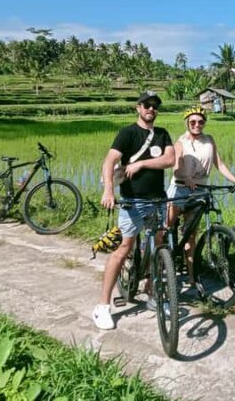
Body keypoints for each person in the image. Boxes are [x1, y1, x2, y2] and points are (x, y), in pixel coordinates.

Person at [92, 91, 175, 330]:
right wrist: (109, 191)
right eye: (147, 105)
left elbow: (170, 159)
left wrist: (141, 163)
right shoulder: (127, 133)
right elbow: (109, 162)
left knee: (158, 246)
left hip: (158, 200)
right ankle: (102, 307)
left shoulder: (162, 134)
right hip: (132, 201)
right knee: (124, 248)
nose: (151, 109)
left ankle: (152, 293)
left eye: (155, 106)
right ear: (138, 108)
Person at [167, 105, 235, 289]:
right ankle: (162, 257)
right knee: (167, 226)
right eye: (193, 122)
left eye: (201, 121)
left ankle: (191, 276)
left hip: (200, 190)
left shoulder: (209, 140)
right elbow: (176, 164)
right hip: (180, 189)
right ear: (187, 123)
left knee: (191, 235)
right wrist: (184, 176)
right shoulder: (181, 142)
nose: (197, 124)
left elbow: (219, 163)